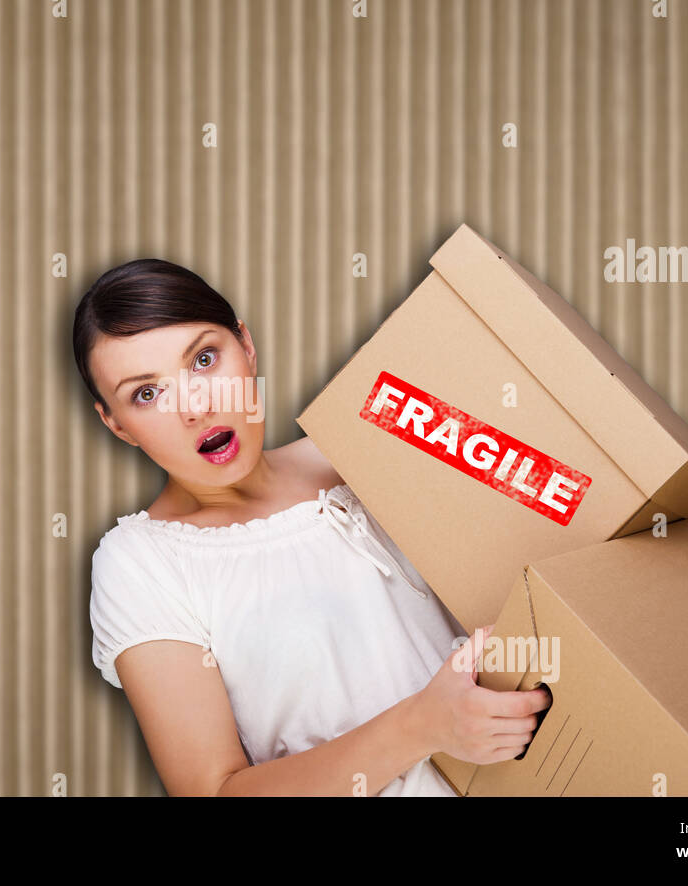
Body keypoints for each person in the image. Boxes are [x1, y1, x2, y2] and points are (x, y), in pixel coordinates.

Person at [72, 258, 551, 796]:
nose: (196, 407)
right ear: (116, 423)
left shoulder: (364, 447)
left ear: (246, 345)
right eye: (147, 393)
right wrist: (424, 726)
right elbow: (214, 791)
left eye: (204, 359)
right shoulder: (143, 563)